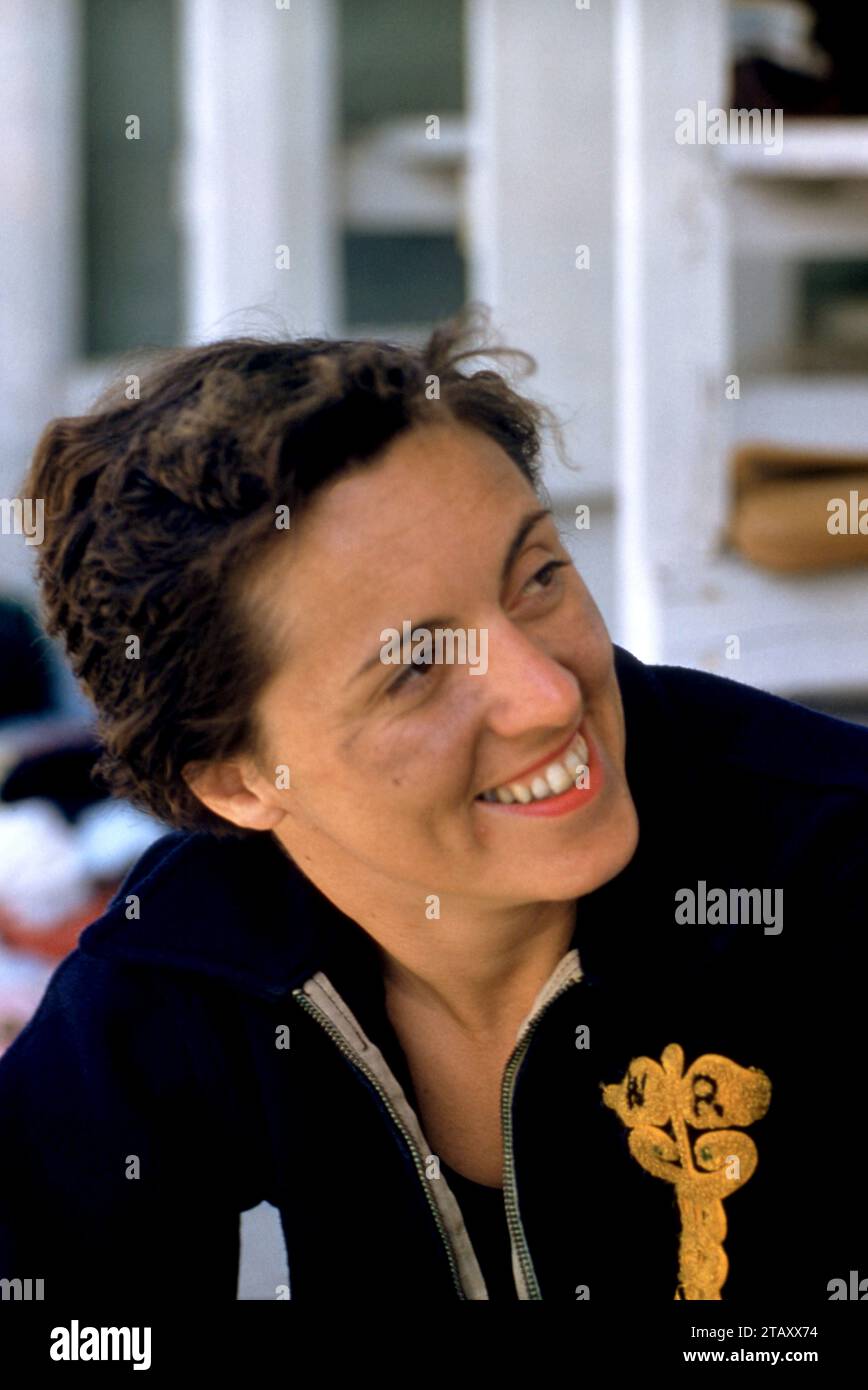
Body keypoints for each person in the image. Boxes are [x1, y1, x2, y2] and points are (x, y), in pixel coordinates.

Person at [0, 306, 865, 1304]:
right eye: (417, 666)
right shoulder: (194, 958)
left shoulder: (833, 871)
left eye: (538, 577)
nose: (549, 695)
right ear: (239, 781)